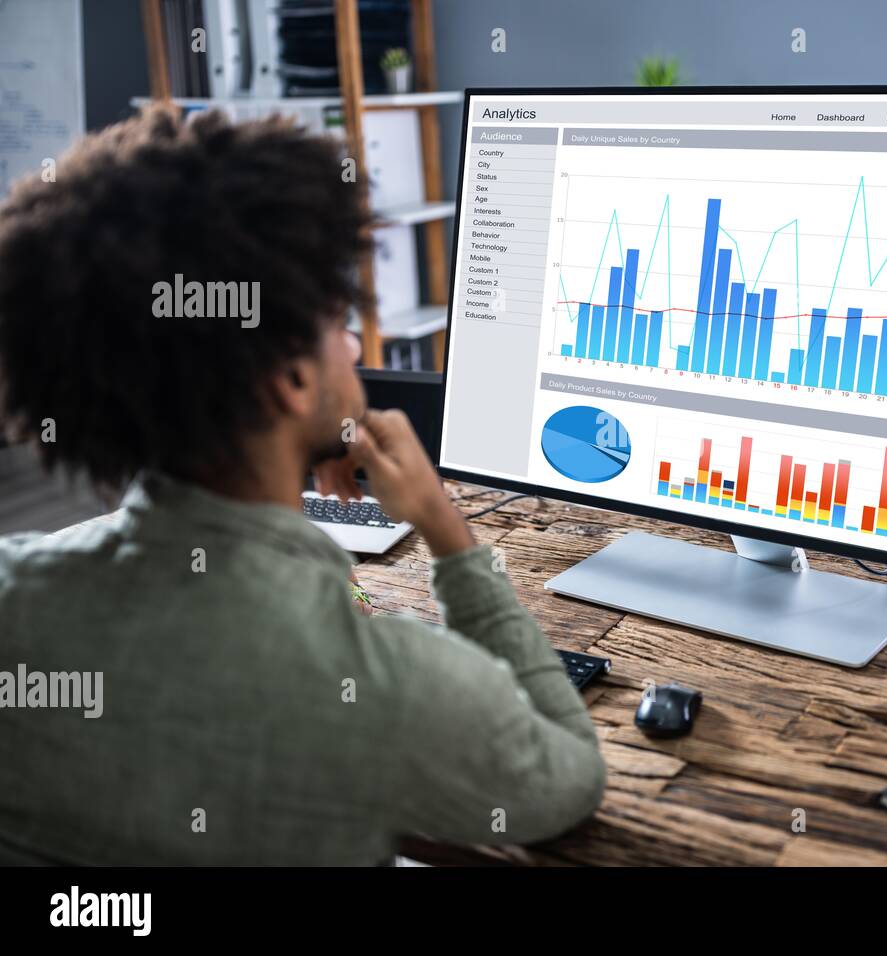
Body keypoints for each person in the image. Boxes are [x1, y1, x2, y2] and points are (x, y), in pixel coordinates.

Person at [0, 104, 604, 865]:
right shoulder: (387, 687)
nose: (353, 344)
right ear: (290, 378)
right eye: (337, 319)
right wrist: (448, 534)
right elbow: (569, 777)